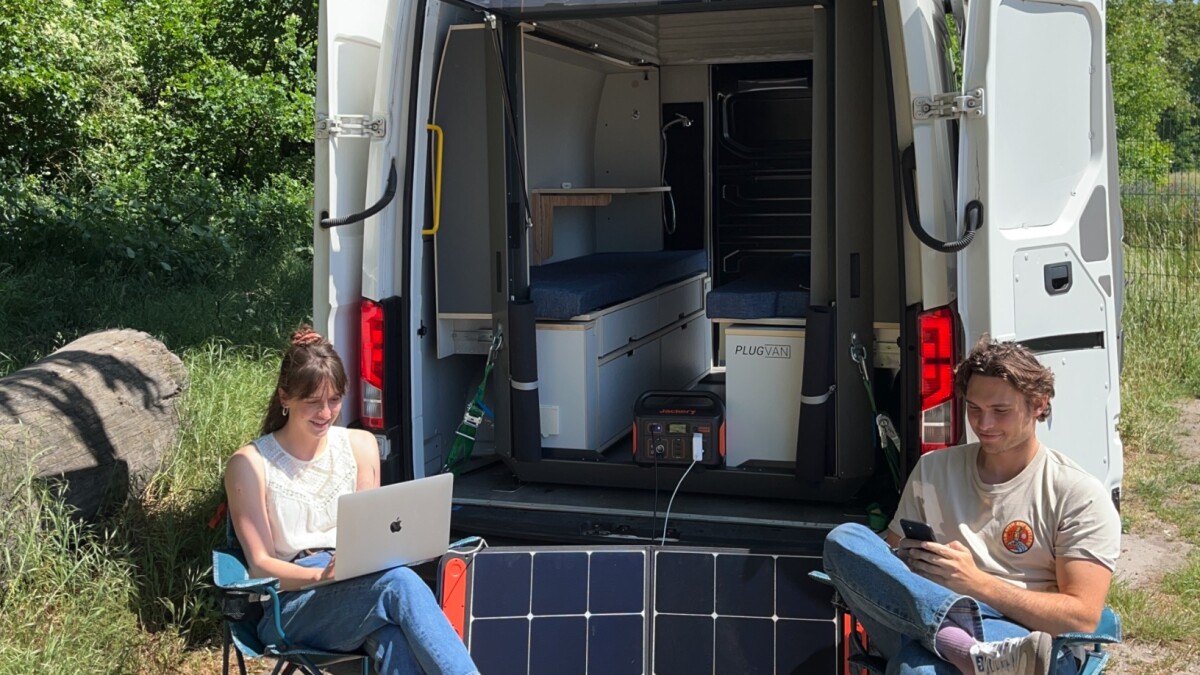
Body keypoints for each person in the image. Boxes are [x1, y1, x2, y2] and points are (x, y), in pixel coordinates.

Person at [823, 335, 1120, 675]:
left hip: (1023, 639)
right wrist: (909, 559)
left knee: (915, 670)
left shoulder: (1076, 493)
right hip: (924, 618)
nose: (984, 424)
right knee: (844, 539)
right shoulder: (934, 469)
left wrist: (976, 583)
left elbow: (1081, 617)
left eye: (1000, 411)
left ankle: (967, 646)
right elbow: (888, 564)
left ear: (1039, 404)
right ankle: (964, 648)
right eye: (974, 409)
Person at [225, 326, 479, 675]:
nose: (326, 412)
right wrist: (321, 578)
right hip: (290, 603)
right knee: (399, 584)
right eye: (312, 402)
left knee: (393, 636)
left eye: (334, 400)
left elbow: (373, 537)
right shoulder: (250, 464)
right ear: (285, 397)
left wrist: (407, 544)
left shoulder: (360, 446)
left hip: (359, 587)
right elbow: (260, 566)